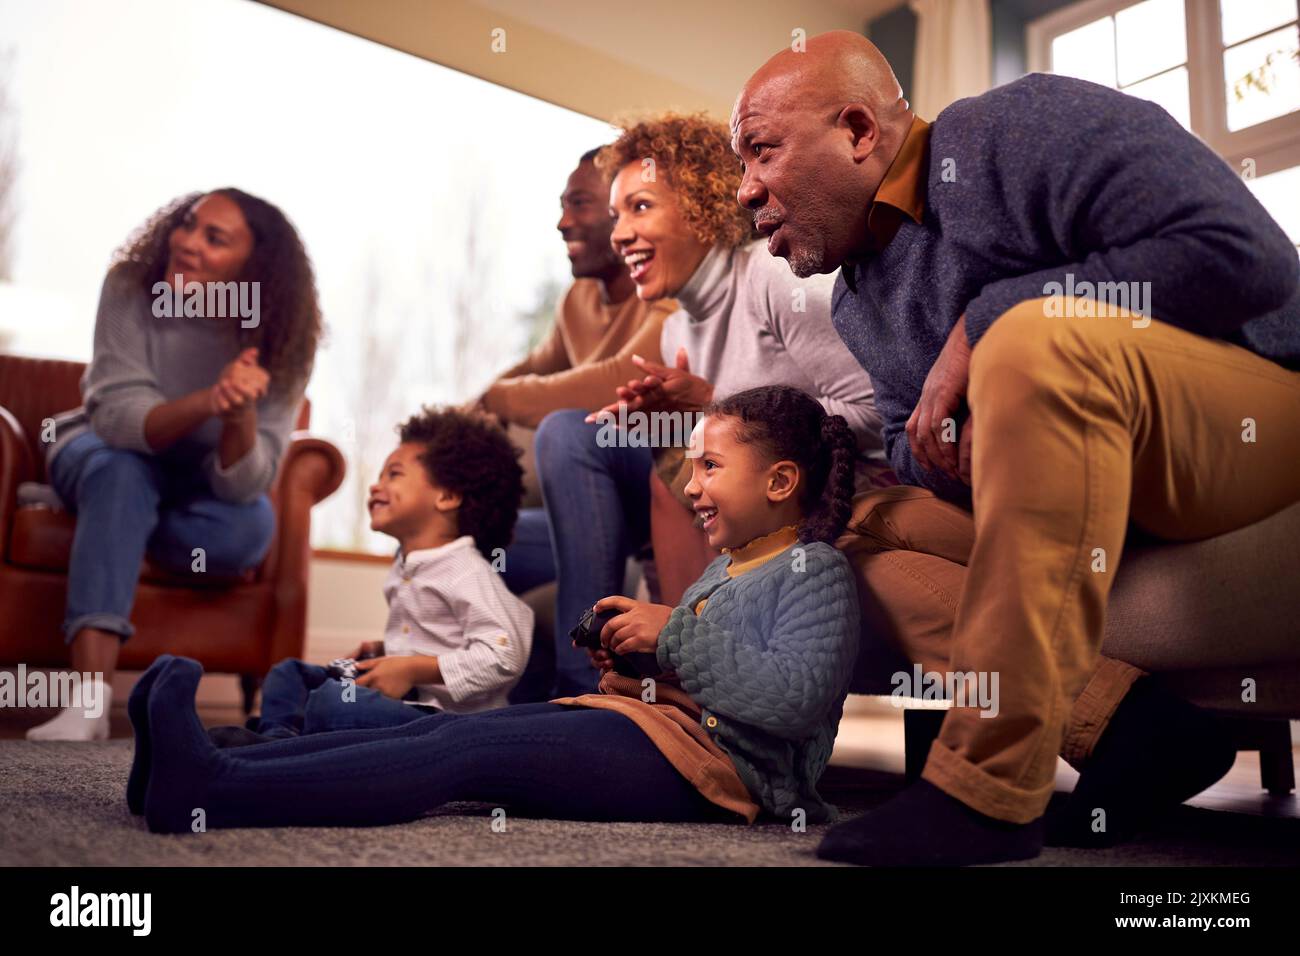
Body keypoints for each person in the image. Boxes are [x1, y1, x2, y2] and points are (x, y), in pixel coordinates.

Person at [729, 31, 1300, 865]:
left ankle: (984, 791)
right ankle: (1136, 728)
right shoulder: (858, 300)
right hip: (1093, 485)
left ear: (857, 130)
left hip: (1253, 425)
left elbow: (1243, 260)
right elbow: (903, 434)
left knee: (1037, 341)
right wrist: (943, 450)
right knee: (845, 534)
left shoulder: (1012, 130)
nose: (745, 192)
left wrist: (987, 321)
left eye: (760, 151)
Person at [124, 386, 861, 833]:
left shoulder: (816, 572)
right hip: (653, 728)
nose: (690, 484)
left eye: (710, 466)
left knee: (461, 754)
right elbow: (703, 678)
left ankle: (211, 789)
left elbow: (790, 700)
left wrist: (671, 632)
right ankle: (215, 755)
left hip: (718, 775)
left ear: (780, 480)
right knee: (476, 731)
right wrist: (630, 664)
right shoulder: (725, 571)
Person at [526, 113, 883, 699]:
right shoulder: (675, 335)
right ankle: (608, 678)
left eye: (640, 208)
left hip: (823, 492)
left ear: (701, 202)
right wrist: (662, 421)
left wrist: (711, 406)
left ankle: (641, 677)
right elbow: (718, 449)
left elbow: (877, 416)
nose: (619, 235)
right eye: (616, 216)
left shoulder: (775, 280)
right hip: (735, 501)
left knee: (658, 445)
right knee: (584, 434)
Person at [28, 189, 321, 742]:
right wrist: (210, 400)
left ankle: (111, 522)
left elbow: (245, 484)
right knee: (120, 476)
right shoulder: (130, 286)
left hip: (192, 484)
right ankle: (88, 703)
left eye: (214, 239)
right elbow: (118, 419)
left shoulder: (285, 338)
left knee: (250, 526)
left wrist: (240, 415)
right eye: (189, 225)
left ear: (254, 267)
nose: (186, 242)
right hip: (101, 447)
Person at [218, 406, 532, 744]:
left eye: (393, 474)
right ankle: (277, 742)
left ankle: (274, 746)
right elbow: (442, 635)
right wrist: (386, 649)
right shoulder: (406, 567)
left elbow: (505, 654)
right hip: (405, 705)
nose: (375, 487)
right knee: (287, 674)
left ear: (447, 496)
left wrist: (411, 668)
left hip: (444, 723)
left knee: (334, 703)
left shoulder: (467, 570)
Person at [475, 148, 679, 602]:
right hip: (593, 505)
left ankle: (578, 675)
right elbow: (533, 368)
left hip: (656, 476)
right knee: (465, 539)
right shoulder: (578, 298)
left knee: (569, 431)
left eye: (579, 203)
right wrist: (463, 417)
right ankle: (420, 661)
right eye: (563, 205)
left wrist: (500, 400)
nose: (563, 222)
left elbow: (620, 378)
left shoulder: (668, 282)